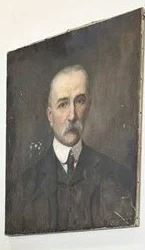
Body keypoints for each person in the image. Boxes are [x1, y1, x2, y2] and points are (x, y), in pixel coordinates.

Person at [9, 65, 137, 234]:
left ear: (88, 107)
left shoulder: (118, 176)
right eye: (63, 104)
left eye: (80, 101)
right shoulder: (22, 188)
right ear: (50, 116)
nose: (72, 115)